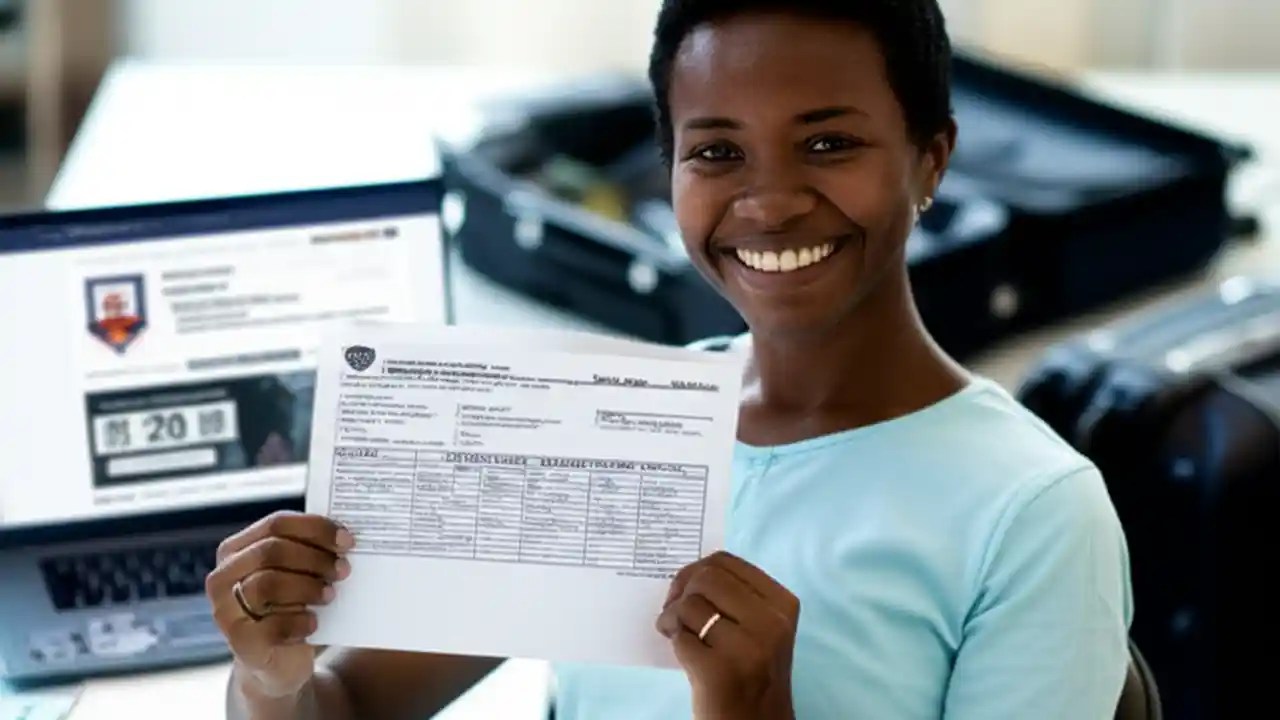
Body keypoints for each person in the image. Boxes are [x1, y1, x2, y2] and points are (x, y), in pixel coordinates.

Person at [205, 1, 1135, 717]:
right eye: (717, 150)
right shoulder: (612, 434)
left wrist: (754, 711)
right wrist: (271, 678)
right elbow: (353, 704)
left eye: (828, 143)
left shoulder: (1035, 516)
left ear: (931, 161)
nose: (768, 202)